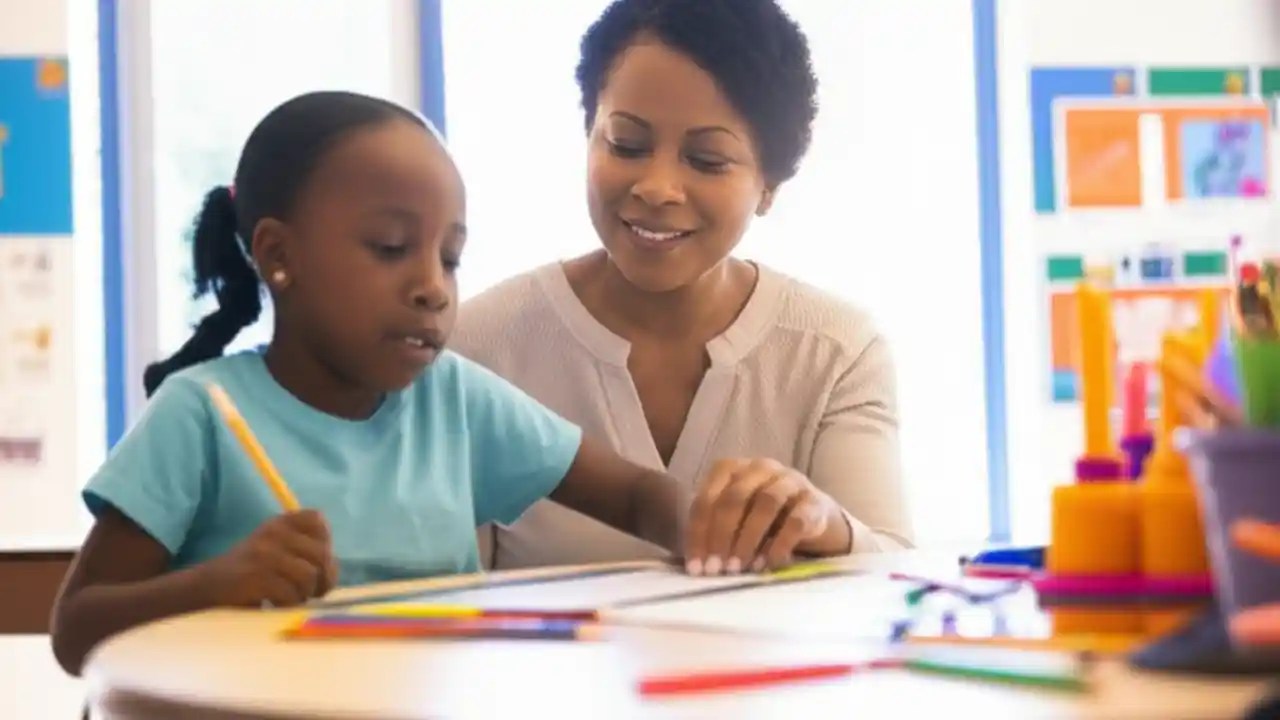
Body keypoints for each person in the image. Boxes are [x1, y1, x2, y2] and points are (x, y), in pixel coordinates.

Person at [49, 91, 852, 676]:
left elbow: (639, 498)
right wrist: (215, 587)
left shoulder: (453, 399)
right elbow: (76, 629)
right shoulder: (202, 414)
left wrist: (727, 524)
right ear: (276, 254)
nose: (434, 287)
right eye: (392, 246)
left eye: (451, 257)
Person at [451, 0, 914, 571]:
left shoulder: (837, 351)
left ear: (768, 185)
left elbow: (896, 575)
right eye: (626, 145)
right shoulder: (475, 348)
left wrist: (826, 523)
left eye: (707, 159)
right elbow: (442, 608)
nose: (658, 187)